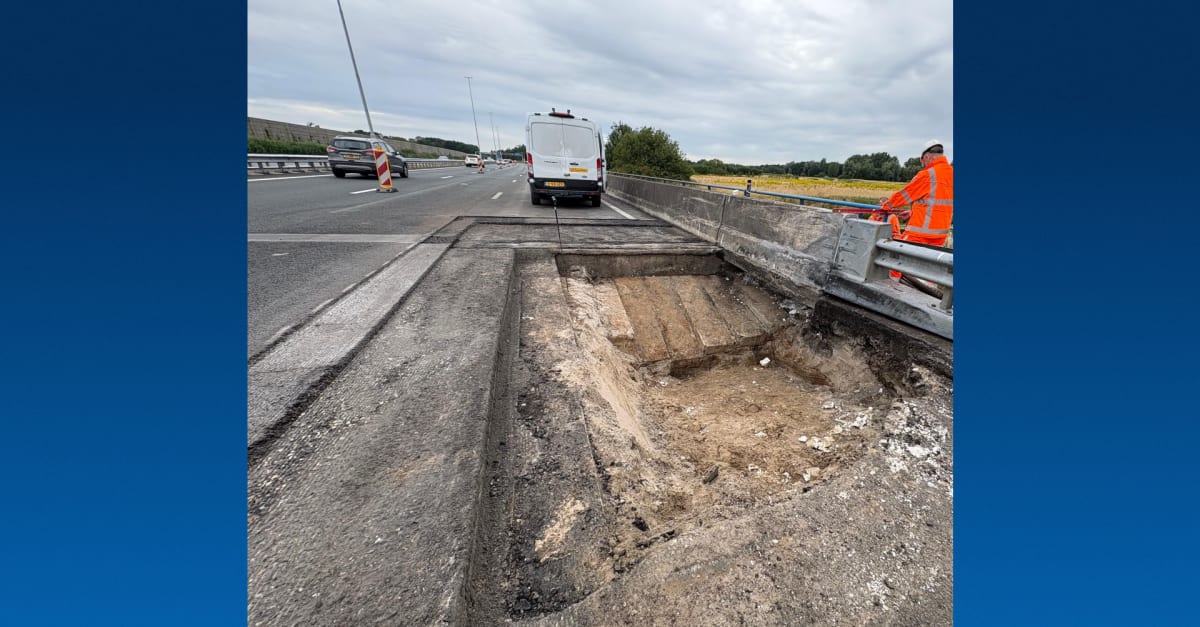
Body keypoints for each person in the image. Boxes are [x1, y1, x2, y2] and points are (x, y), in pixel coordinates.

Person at [872, 139, 954, 284]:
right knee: (929, 265)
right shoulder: (951, 173)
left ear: (927, 156)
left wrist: (886, 205)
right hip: (940, 233)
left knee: (894, 256)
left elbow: (906, 194)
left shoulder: (928, 174)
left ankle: (891, 286)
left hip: (921, 233)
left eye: (922, 161)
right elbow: (937, 203)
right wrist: (912, 213)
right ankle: (926, 292)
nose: (923, 164)